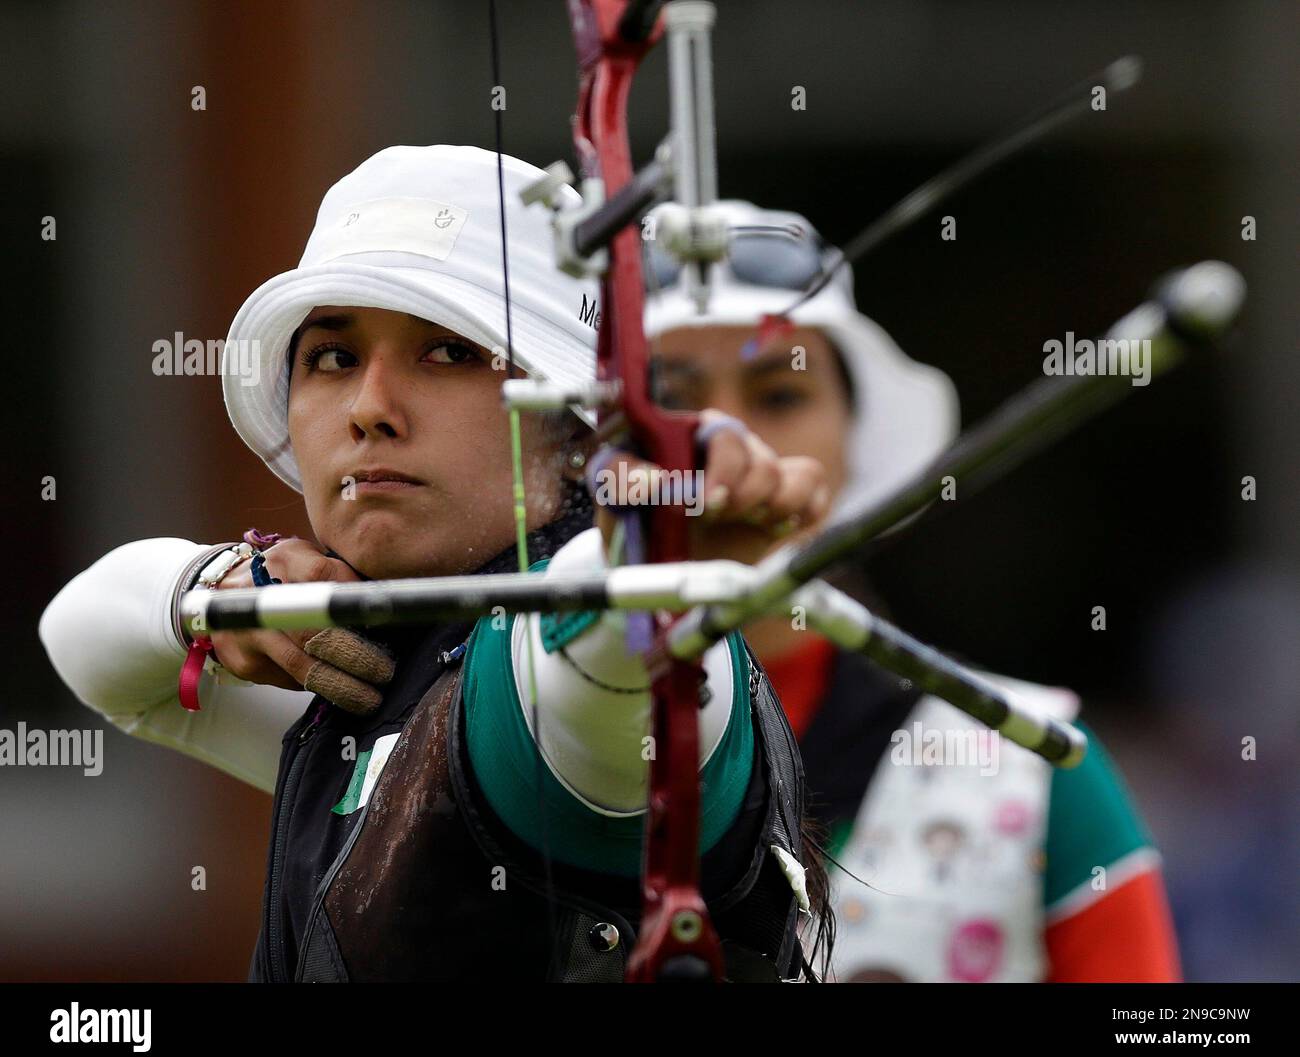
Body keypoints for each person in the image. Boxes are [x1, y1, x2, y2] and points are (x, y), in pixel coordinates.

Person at [39, 146, 835, 982]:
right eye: (334, 359)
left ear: (577, 428)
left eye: (450, 353)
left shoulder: (544, 689)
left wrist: (651, 564)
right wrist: (212, 592)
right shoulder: (363, 673)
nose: (370, 409)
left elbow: (587, 673)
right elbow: (86, 643)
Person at [642, 199, 1183, 982]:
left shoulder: (1032, 763)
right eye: (673, 402)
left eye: (780, 396)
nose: (733, 447)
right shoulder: (488, 748)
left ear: (852, 440)